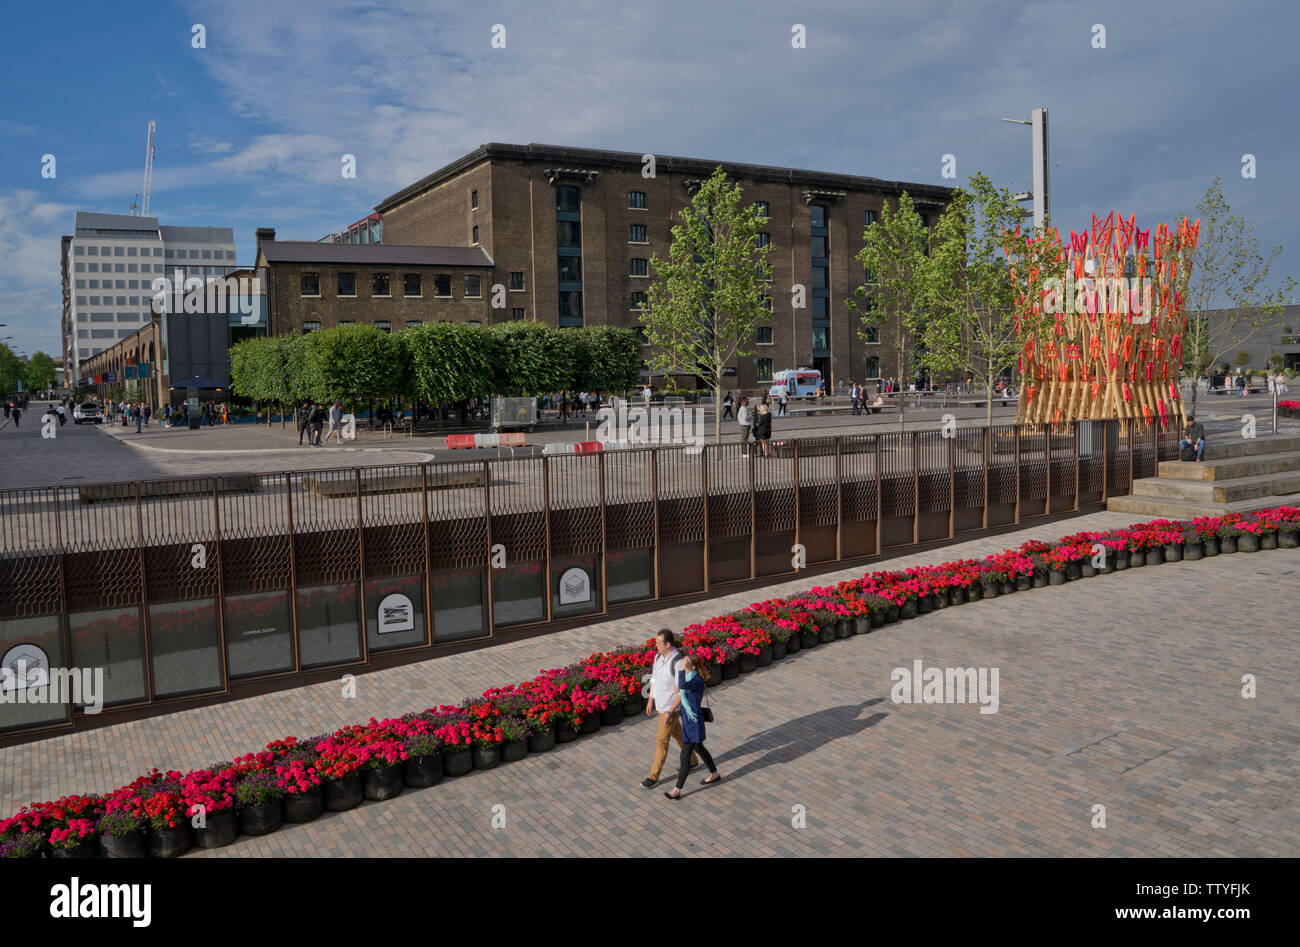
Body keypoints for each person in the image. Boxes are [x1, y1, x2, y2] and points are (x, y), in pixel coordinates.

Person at [642, 629, 698, 789]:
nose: (656, 645)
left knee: (661, 740)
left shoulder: (678, 664)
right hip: (660, 705)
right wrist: (650, 700)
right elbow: (654, 680)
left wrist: (670, 712)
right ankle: (693, 761)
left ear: (668, 644)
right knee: (678, 734)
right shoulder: (658, 657)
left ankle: (653, 776)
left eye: (658, 643)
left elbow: (682, 690)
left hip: (670, 708)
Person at [663, 653, 721, 800]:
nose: (683, 661)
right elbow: (681, 689)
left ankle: (677, 789)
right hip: (689, 720)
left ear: (692, 667)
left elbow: (682, 685)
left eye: (686, 661)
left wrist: (680, 669)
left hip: (693, 723)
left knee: (685, 756)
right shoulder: (689, 678)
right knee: (699, 748)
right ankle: (714, 773)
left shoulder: (696, 680)